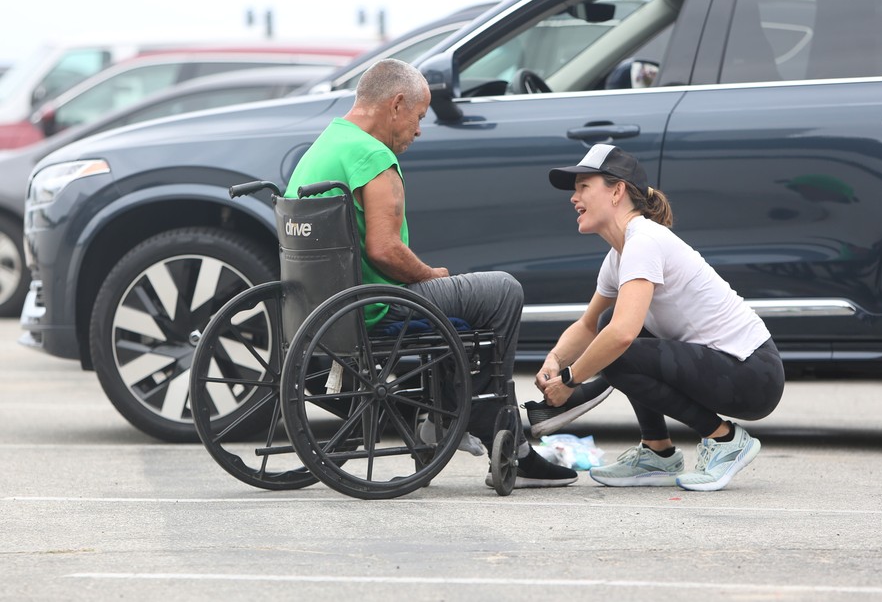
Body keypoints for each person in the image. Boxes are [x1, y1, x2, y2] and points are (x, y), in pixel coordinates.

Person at [284, 58, 577, 488]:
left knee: (465, 301)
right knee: (503, 291)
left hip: (324, 309)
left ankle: (444, 412)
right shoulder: (373, 156)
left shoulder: (327, 144)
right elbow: (383, 250)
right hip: (375, 308)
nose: (419, 130)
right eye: (419, 117)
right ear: (397, 104)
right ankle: (491, 425)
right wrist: (429, 273)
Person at [535, 144, 784, 491]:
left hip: (753, 373)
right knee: (608, 330)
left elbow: (623, 335)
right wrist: (555, 360)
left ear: (617, 190)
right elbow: (589, 326)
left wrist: (570, 379)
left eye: (583, 187)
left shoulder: (645, 240)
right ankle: (658, 452)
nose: (574, 198)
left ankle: (726, 440)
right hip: (725, 368)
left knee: (619, 348)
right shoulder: (620, 254)